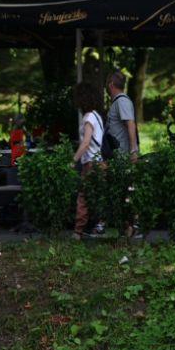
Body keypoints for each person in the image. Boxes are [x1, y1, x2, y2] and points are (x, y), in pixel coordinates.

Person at [72, 83, 104, 240]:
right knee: (100, 195)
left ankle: (78, 232)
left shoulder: (89, 117)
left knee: (83, 197)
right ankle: (126, 227)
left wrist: (73, 160)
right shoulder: (97, 116)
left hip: (90, 163)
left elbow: (85, 143)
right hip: (99, 161)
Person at [105, 71, 139, 160]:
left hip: (123, 158)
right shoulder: (118, 102)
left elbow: (130, 124)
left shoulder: (122, 101)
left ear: (111, 84)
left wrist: (133, 152)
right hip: (118, 157)